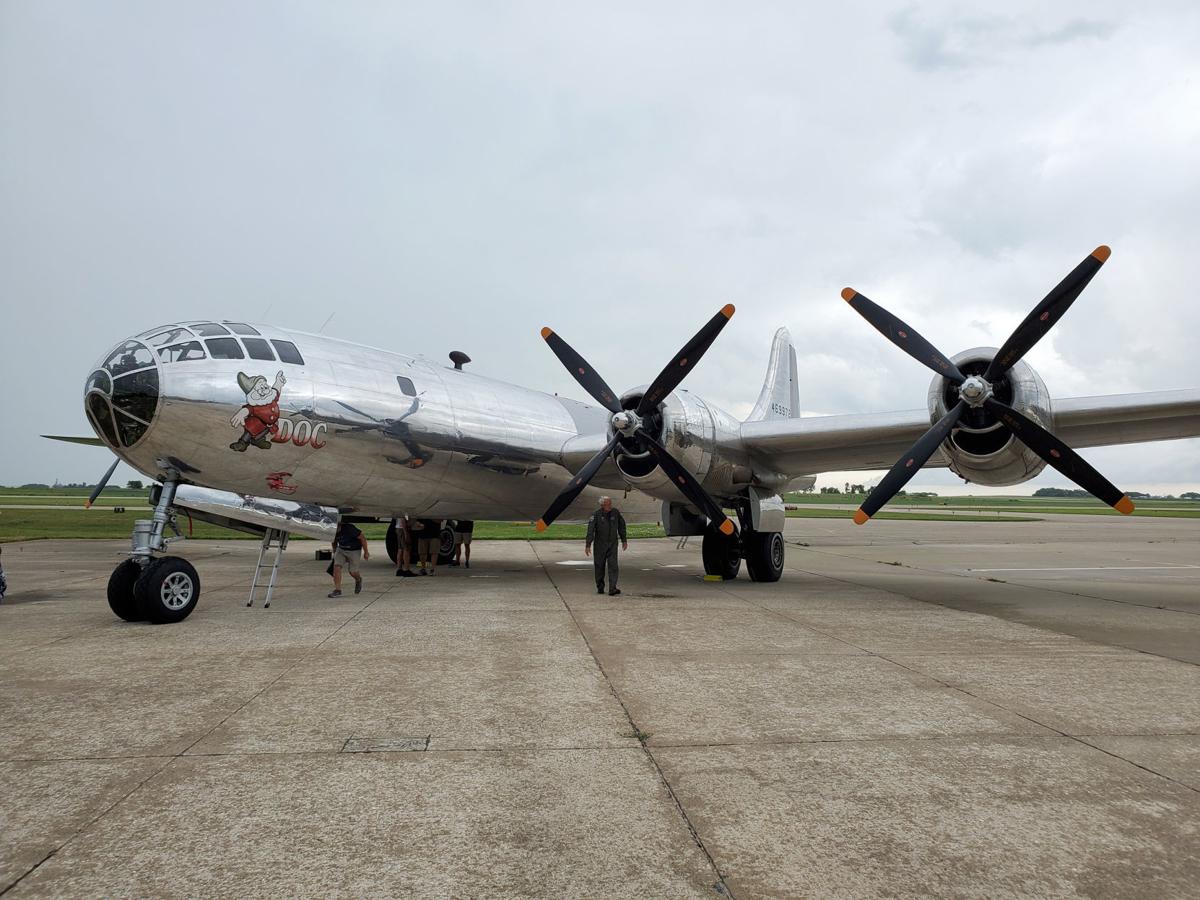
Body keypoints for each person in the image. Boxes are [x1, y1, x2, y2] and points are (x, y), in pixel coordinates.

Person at [586, 496, 627, 595]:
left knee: (613, 566)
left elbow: (621, 526)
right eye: (607, 504)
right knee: (599, 566)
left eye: (610, 503)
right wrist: (588, 544)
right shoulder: (596, 515)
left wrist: (624, 540)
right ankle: (600, 587)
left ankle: (612, 588)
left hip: (612, 544)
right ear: (602, 505)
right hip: (600, 545)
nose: (609, 506)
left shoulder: (615, 512)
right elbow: (590, 530)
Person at [329, 520, 369, 597]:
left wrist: (366, 552)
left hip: (354, 550)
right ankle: (337, 590)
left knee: (353, 572)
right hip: (341, 549)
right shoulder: (332, 530)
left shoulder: (349, 528)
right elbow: (333, 540)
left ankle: (358, 579)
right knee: (336, 567)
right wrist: (334, 550)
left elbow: (362, 538)